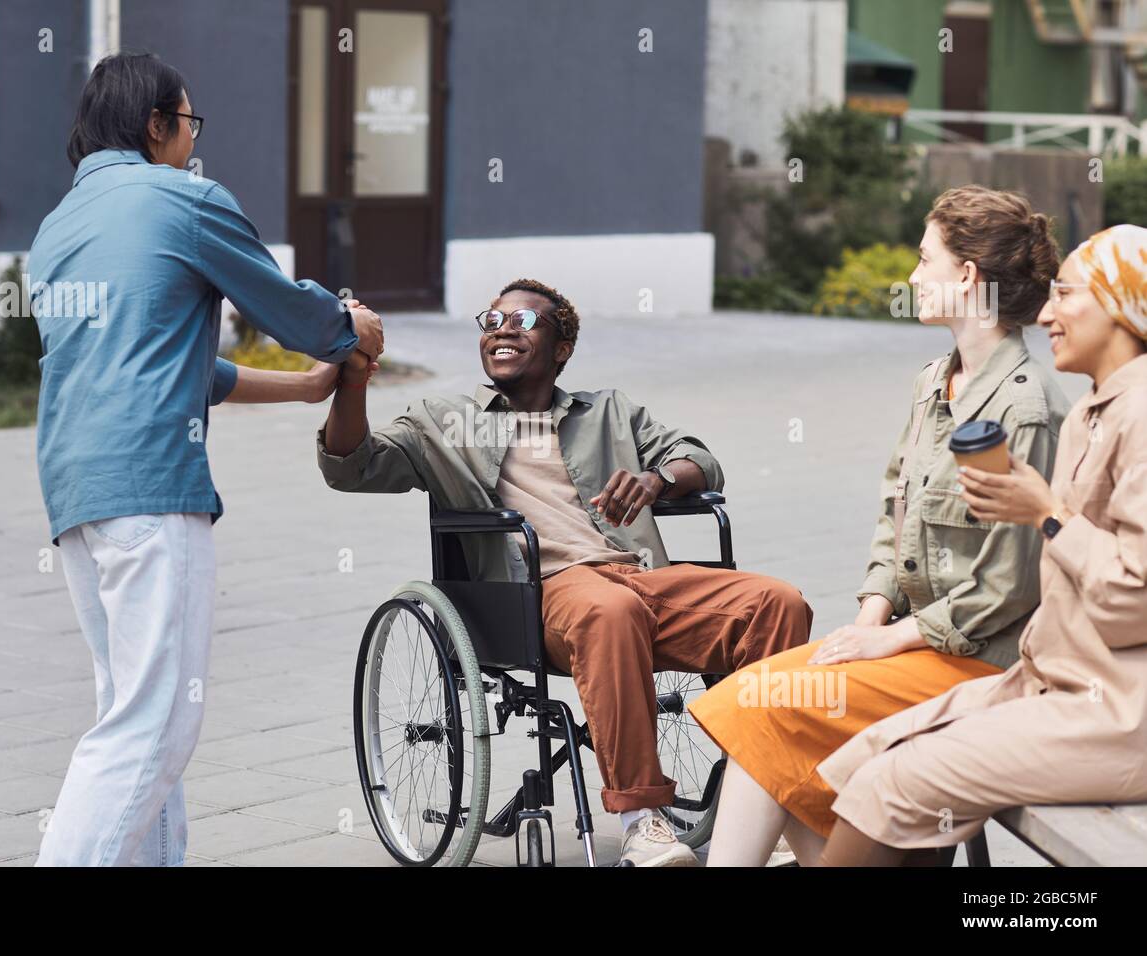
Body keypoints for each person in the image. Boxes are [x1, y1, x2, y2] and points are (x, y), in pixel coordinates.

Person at [320, 277, 813, 866]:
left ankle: (760, 802)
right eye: (491, 321)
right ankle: (642, 817)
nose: (502, 329)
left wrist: (657, 479)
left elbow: (701, 460)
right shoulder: (445, 419)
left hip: (635, 572)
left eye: (524, 322)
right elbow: (352, 467)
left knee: (778, 602)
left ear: (562, 349)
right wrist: (353, 380)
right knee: (611, 610)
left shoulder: (608, 412)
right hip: (538, 594)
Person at [31, 53, 382, 866]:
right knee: (153, 729)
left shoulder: (59, 227)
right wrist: (351, 328)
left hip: (76, 494)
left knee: (130, 710)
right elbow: (296, 312)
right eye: (188, 124)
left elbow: (181, 366)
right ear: (156, 125)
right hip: (152, 487)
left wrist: (301, 393)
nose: (193, 143)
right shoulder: (184, 201)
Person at [689, 186, 1069, 866]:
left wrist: (889, 641)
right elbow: (896, 516)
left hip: (982, 662)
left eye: (927, 261)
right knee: (758, 710)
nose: (914, 277)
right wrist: (869, 618)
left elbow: (1009, 586)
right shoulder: (933, 382)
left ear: (969, 278)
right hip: (920, 646)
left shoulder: (1026, 408)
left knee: (766, 701)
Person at [814, 223, 1147, 866]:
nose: (1045, 313)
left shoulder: (1138, 417)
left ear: (1122, 304)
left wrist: (1045, 513)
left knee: (892, 781)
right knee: (863, 759)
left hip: (1116, 713)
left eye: (1067, 296)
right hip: (1051, 681)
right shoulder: (1091, 411)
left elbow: (1132, 601)